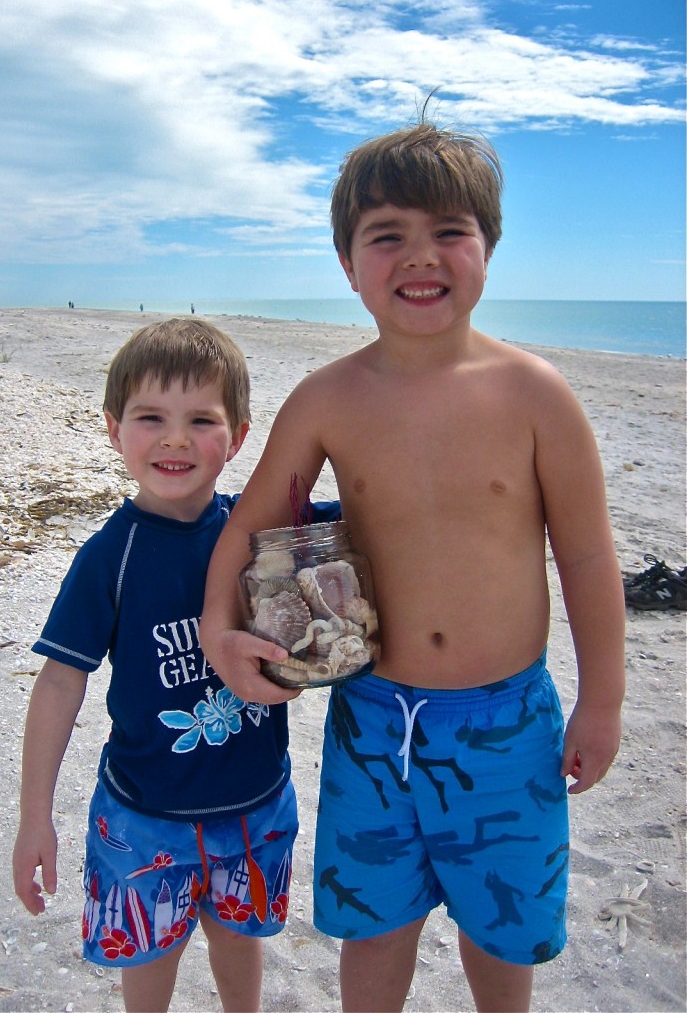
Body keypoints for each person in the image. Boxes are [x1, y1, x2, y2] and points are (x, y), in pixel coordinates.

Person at [200, 121, 626, 1013]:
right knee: (372, 924)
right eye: (386, 235)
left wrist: (604, 700)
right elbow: (249, 525)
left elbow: (588, 559)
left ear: (488, 249)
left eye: (449, 231)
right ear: (349, 266)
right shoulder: (327, 398)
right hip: (371, 719)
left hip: (509, 723)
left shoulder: (537, 394)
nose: (419, 256)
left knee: (502, 930)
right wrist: (220, 632)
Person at [12, 318, 339, 1013]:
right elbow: (60, 683)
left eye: (201, 419)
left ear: (240, 435)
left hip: (255, 803)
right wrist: (35, 815)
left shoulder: (256, 536)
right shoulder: (110, 556)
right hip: (144, 813)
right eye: (151, 417)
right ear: (113, 428)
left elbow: (368, 513)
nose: (175, 438)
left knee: (237, 939)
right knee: (149, 953)